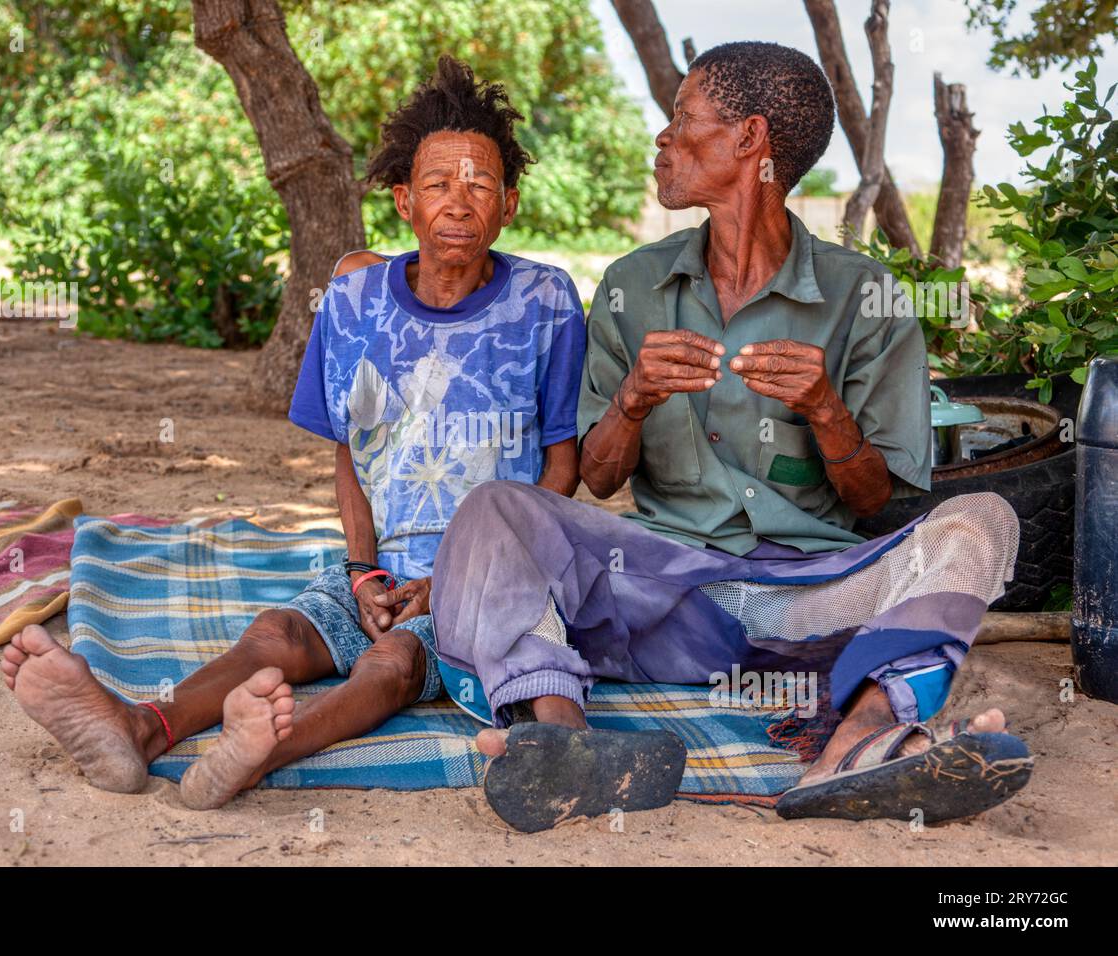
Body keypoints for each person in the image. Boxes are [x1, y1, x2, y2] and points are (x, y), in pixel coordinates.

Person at [430, 41, 1033, 833]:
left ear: (750, 141)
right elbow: (599, 479)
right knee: (496, 511)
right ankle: (564, 743)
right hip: (661, 598)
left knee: (985, 519)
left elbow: (874, 497)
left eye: (684, 119)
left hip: (815, 603)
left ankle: (854, 747)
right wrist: (635, 399)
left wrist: (825, 410)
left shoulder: (863, 295)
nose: (663, 138)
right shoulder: (632, 288)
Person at [1, 56, 585, 809]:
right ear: (404, 200)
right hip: (378, 568)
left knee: (393, 666)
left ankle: (258, 753)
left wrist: (453, 582)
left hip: (488, 579)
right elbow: (354, 454)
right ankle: (140, 728)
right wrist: (362, 572)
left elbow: (561, 471)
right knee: (277, 634)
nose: (458, 202)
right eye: (438, 184)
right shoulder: (354, 302)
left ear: (507, 204)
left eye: (480, 185)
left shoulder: (546, 301)